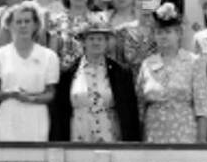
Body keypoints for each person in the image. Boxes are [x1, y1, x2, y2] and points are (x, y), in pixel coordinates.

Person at [52, 13, 141, 142]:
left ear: (106, 42)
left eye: (100, 39)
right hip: (78, 136)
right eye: (91, 38)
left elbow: (130, 112)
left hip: (110, 137)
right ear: (83, 42)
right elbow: (60, 112)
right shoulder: (68, 73)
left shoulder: (121, 72)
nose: (96, 42)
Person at [136, 3, 207, 143]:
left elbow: (202, 106)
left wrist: (202, 141)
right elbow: (140, 106)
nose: (163, 36)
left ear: (179, 33)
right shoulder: (147, 64)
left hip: (185, 133)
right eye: (159, 32)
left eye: (168, 32)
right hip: (153, 133)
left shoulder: (193, 62)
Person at [0, 1, 60, 142]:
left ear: (35, 25)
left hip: (37, 117)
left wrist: (31, 99)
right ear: (9, 25)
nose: (23, 25)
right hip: (8, 116)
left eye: (27, 21)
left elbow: (51, 93)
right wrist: (12, 94)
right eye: (18, 21)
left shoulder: (49, 56)